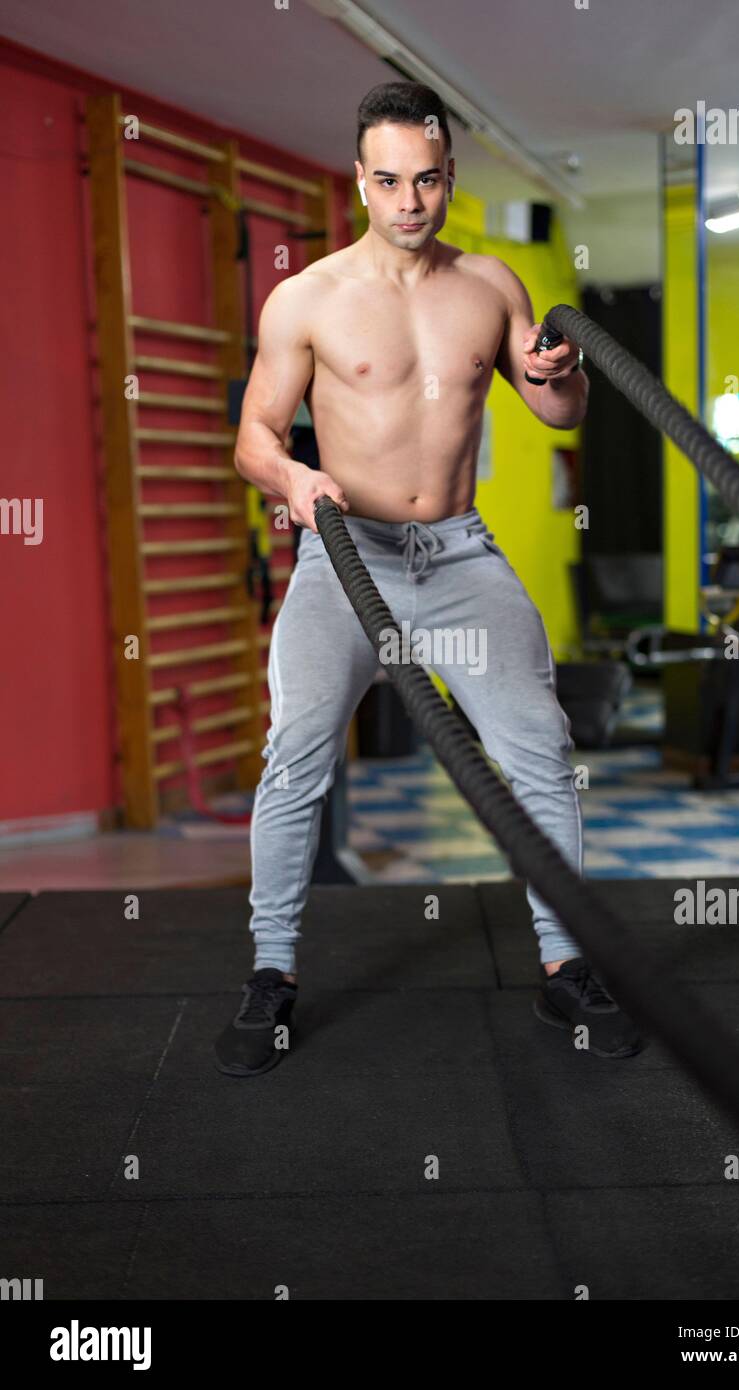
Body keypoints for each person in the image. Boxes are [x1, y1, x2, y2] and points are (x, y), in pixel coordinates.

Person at [214, 80, 644, 1076]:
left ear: (450, 176)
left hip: (456, 557)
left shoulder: (490, 286)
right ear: (358, 180)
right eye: (388, 180)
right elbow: (252, 436)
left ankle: (563, 964)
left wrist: (561, 376)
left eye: (427, 180)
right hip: (342, 557)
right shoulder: (306, 299)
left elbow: (559, 412)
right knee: (296, 752)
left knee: (538, 741)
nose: (408, 201)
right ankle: (270, 972)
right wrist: (292, 473)